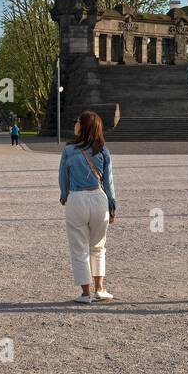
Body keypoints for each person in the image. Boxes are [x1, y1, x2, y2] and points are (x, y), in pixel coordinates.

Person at [59, 110, 117, 303]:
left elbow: (63, 178)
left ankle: (85, 293)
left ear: (82, 127)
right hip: (98, 198)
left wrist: (64, 195)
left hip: (77, 198)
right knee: (99, 247)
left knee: (79, 248)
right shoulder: (103, 150)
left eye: (78, 122)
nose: (76, 124)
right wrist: (112, 205)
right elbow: (108, 183)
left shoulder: (68, 150)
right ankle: (100, 289)